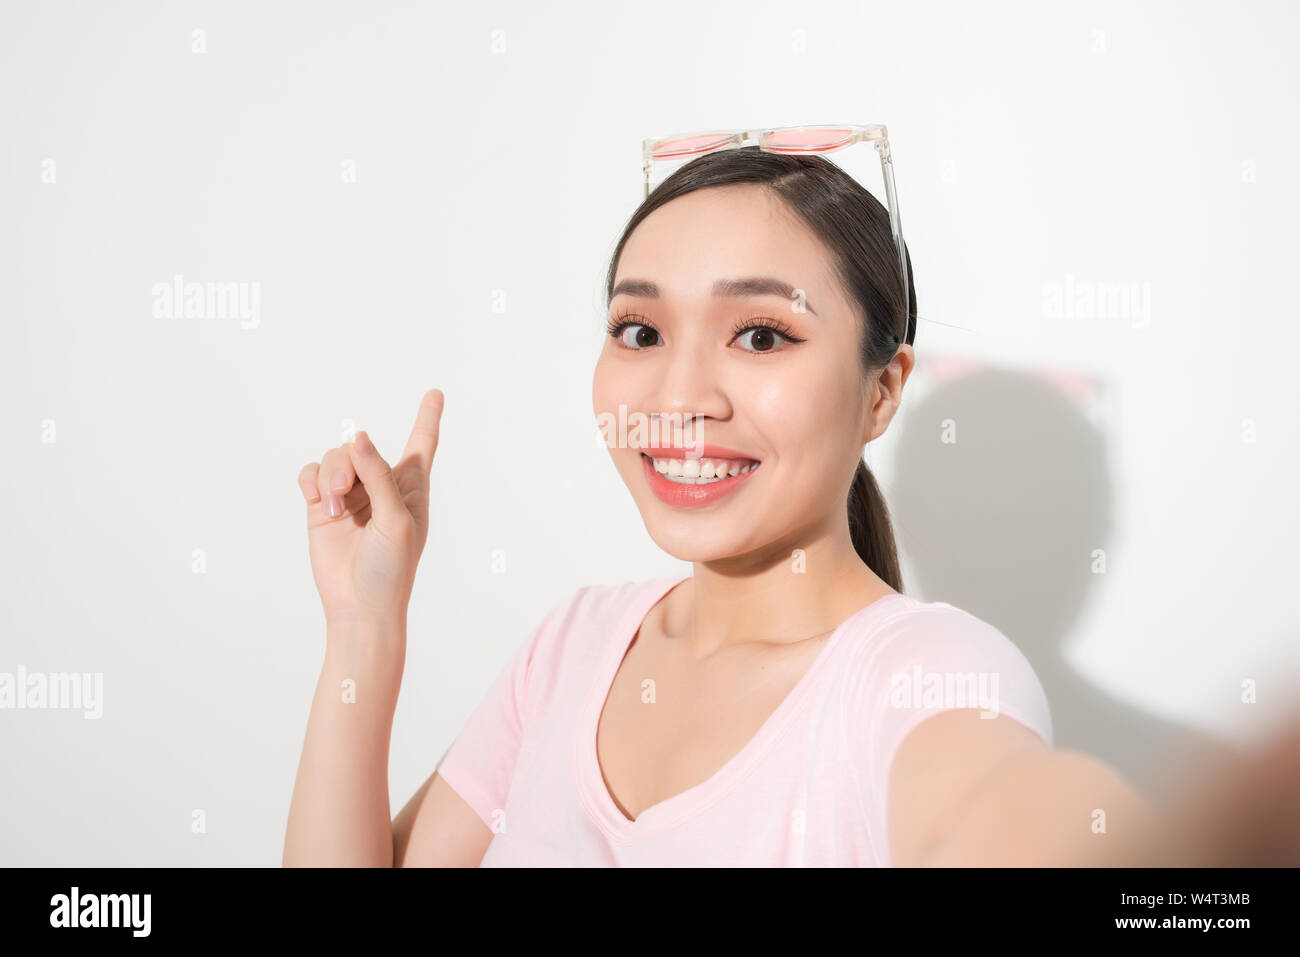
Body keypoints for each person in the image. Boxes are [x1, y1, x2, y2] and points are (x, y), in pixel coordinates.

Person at [283, 147, 1155, 867]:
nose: (679, 395)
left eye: (762, 335)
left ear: (881, 392)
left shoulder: (921, 672)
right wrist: (365, 628)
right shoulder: (571, 648)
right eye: (641, 331)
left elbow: (1016, 810)